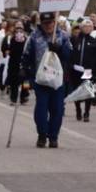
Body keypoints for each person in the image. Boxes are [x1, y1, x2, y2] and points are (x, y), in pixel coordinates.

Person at [20, 12, 73, 148]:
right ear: (41, 23)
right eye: (45, 23)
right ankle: (42, 135)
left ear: (55, 23)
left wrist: (60, 49)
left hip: (58, 80)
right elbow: (26, 54)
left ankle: (53, 136)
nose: (48, 26)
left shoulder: (63, 36)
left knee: (57, 109)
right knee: (41, 108)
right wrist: (24, 69)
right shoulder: (34, 36)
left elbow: (71, 56)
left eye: (50, 23)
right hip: (41, 79)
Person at [69, 19, 96, 122]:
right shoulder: (75, 40)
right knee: (77, 90)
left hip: (88, 70)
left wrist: (95, 71)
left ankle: (87, 113)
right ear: (81, 28)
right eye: (85, 26)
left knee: (88, 91)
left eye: (89, 27)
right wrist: (72, 65)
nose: (87, 28)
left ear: (92, 28)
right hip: (76, 70)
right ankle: (78, 109)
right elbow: (70, 54)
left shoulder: (94, 41)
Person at [4, 21, 29, 105]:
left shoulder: (27, 40)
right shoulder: (11, 39)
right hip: (14, 64)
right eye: (17, 31)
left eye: (21, 31)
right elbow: (9, 50)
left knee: (25, 82)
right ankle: (13, 98)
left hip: (24, 64)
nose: (19, 33)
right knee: (14, 82)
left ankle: (24, 96)